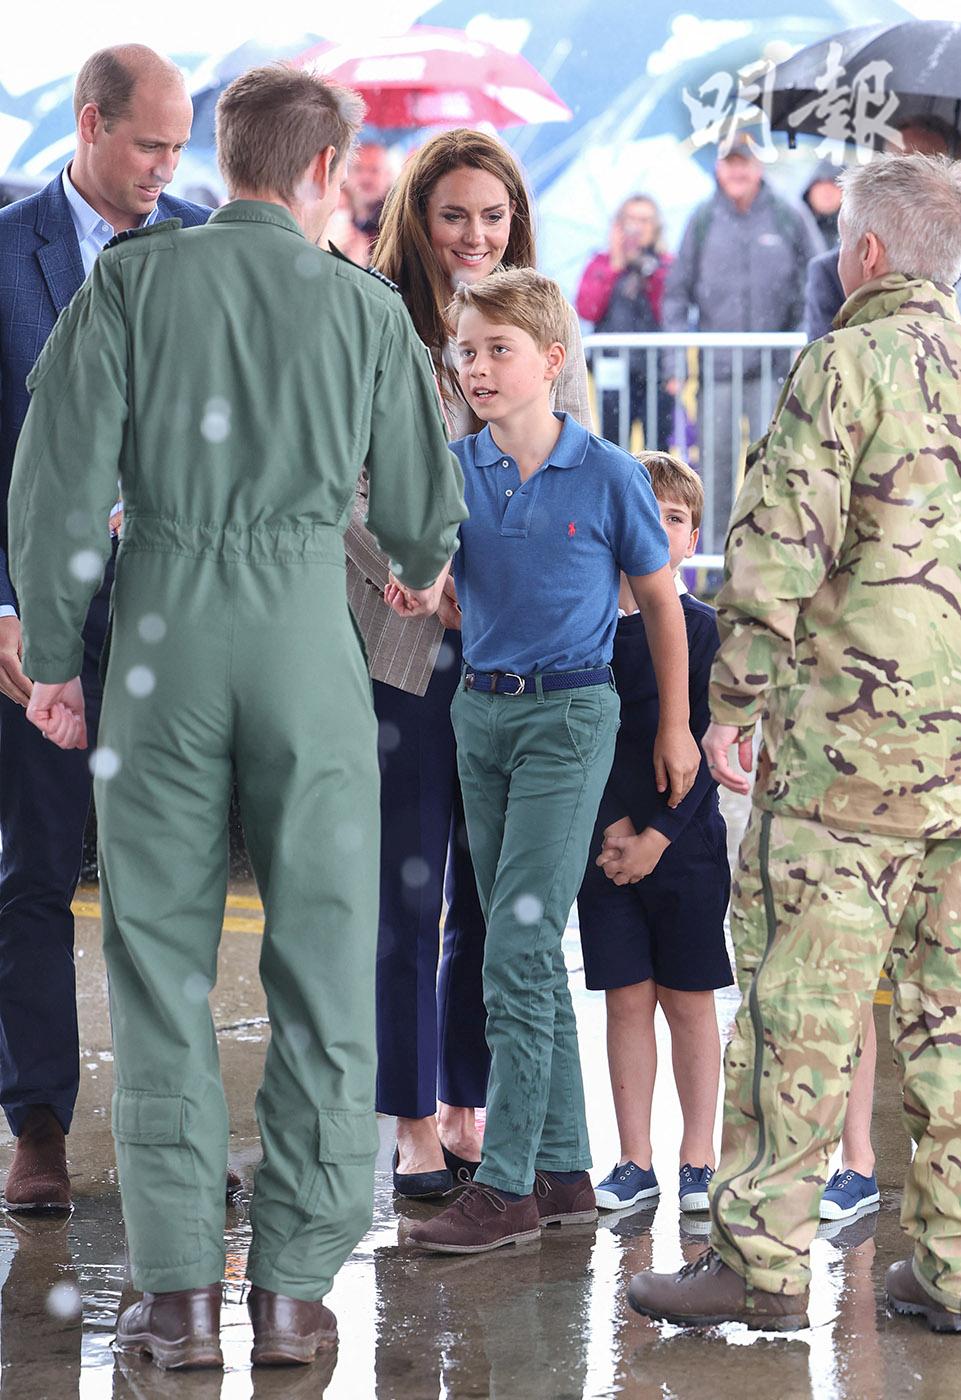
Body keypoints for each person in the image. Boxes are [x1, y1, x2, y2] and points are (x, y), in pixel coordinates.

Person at [7, 63, 466, 1368]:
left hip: (161, 640)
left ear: (222, 154)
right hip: (305, 645)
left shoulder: (135, 282)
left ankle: (175, 1296)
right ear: (326, 172)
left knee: (157, 966)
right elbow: (425, 512)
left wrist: (50, 653)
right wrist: (416, 566)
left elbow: (53, 487)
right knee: (322, 965)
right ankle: (294, 1291)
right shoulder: (367, 308)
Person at [628, 152, 961, 1332]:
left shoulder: (848, 362)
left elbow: (778, 550)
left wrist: (731, 705)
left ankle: (760, 1266)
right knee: (946, 1013)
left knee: (799, 1006)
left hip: (846, 764)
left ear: (865, 254)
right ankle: (955, 1263)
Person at [385, 267, 701, 1256]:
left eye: (497, 350)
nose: (476, 367)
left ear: (550, 362)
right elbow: (439, 574)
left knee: (516, 946)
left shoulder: (607, 473)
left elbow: (658, 605)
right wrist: (423, 587)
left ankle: (509, 1184)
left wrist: (677, 725)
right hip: (481, 718)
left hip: (570, 719)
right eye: (464, 352)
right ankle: (566, 1168)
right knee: (517, 945)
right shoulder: (454, 466)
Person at [344, 130, 592, 1198]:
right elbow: (342, 482)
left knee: (491, 898)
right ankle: (406, 1119)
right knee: (408, 886)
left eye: (493, 216)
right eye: (455, 214)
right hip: (404, 648)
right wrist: (429, 577)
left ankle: (464, 1100)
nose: (475, 235)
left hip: (509, 654)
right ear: (418, 217)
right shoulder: (374, 324)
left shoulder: (530, 324)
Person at [0, 44, 208, 1215]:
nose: (164, 169)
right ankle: (36, 1118)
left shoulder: (199, 246)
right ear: (89, 126)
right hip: (36, 618)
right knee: (34, 869)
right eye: (148, 145)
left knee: (165, 872)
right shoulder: (5, 253)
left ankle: (169, 1127)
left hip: (179, 621)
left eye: (179, 149)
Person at [577, 453, 732, 1214]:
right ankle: (632, 1158)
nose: (657, 528)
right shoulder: (589, 628)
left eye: (673, 518)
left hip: (685, 848)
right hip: (603, 846)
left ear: (690, 538)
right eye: (645, 513)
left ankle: (697, 1156)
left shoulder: (702, 632)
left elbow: (703, 746)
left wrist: (657, 839)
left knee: (689, 1001)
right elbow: (586, 738)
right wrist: (614, 833)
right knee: (626, 1002)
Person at [662, 132, 823, 553]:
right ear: (719, 169)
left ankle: (774, 553)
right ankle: (713, 558)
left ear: (759, 168)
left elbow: (816, 281)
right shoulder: (701, 220)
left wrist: (802, 346)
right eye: (730, 163)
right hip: (718, 371)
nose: (737, 171)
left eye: (744, 162)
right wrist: (674, 362)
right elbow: (677, 293)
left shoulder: (789, 215)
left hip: (775, 370)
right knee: (713, 466)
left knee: (776, 462)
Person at [804, 118, 953, 343]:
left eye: (928, 165)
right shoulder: (835, 268)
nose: (913, 182)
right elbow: (822, 358)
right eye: (898, 166)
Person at [575, 195, 675, 450]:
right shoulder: (601, 263)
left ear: (656, 227)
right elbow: (588, 309)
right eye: (630, 220)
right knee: (613, 446)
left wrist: (648, 270)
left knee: (657, 448)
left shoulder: (666, 266)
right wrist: (615, 265)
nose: (637, 228)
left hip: (656, 371)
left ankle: (655, 491)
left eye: (644, 220)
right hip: (613, 371)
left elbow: (670, 311)